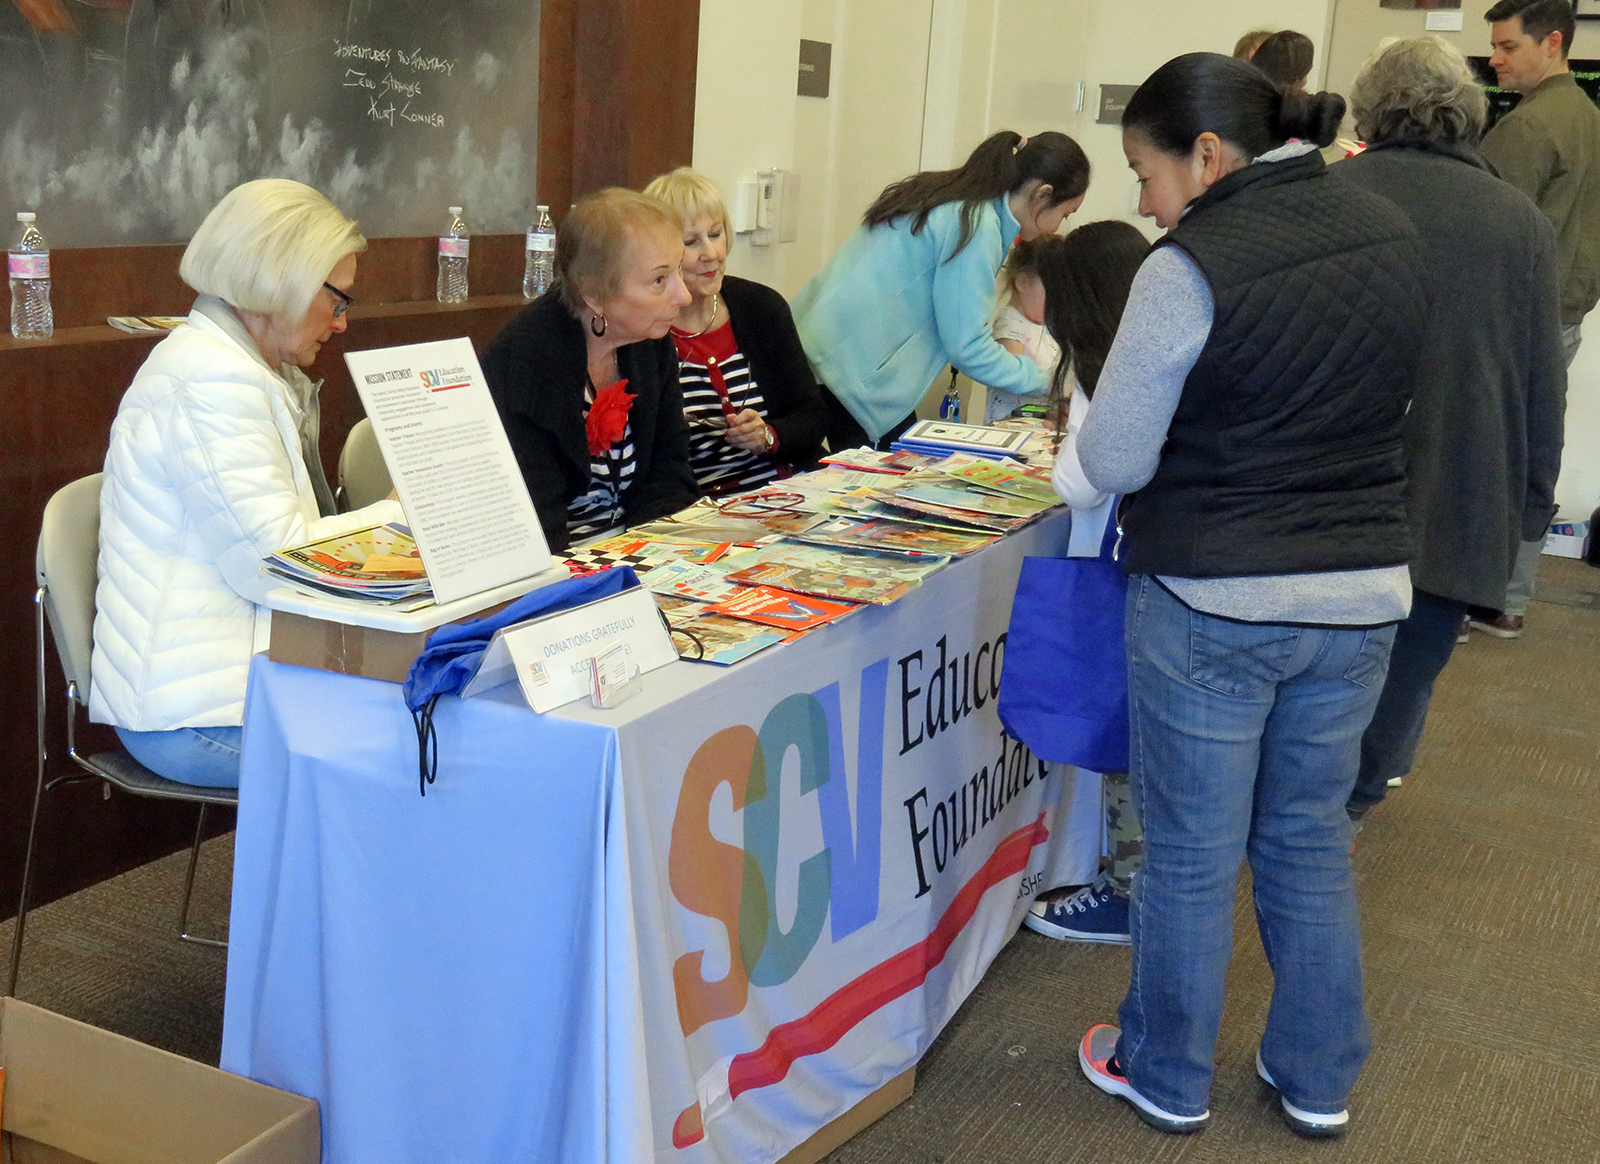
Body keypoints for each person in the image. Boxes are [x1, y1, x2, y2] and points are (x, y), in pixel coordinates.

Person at [1071, 53, 1429, 1139]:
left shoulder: (1190, 266)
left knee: (1188, 851)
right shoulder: (1391, 235)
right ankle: (1317, 1076)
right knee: (1307, 838)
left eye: (1144, 171)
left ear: (1209, 155)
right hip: (1361, 595)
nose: (1140, 200)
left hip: (1215, 597)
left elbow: (1120, 457)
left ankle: (1166, 1072)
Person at [91, 179, 406, 788]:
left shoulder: (239, 368)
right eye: (337, 300)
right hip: (191, 715)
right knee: (408, 757)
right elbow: (277, 563)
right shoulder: (209, 380)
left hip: (236, 681)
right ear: (278, 281)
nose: (341, 324)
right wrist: (397, 515)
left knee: (429, 723)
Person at [1334, 37, 1565, 819]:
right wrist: (1531, 507)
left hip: (1333, 490)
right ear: (1466, 114)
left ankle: (1301, 807)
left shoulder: (1332, 195)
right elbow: (1543, 377)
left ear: (1370, 109)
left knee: (1315, 679)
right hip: (1461, 490)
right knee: (1409, 671)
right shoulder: (1520, 221)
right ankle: (1360, 800)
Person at [984, 224, 1151, 945]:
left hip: (1127, 577)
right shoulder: (1155, 351)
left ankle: (1129, 893)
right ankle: (1133, 885)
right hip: (1162, 571)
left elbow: (1081, 480)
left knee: (1127, 736)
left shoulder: (1110, 370)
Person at [791, 130, 1091, 449]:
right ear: (1042, 195)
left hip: (820, 351)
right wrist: (1054, 382)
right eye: (1065, 213)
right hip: (849, 374)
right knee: (882, 483)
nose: (1059, 226)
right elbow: (968, 346)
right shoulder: (976, 224)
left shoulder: (952, 195)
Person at [1470, 0, 1600, 638]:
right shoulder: (1591, 119)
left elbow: (1484, 230)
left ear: (1552, 43)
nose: (1495, 59)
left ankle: (1461, 597)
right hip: (1564, 320)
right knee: (1530, 455)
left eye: (1508, 46)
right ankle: (1507, 600)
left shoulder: (1527, 129)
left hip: (1512, 321)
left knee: (1477, 455)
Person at [482, 188, 700, 551]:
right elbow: (535, 523)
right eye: (659, 280)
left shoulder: (649, 337)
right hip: (559, 566)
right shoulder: (526, 363)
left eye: (678, 270)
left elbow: (670, 471)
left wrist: (656, 558)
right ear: (594, 294)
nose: (684, 296)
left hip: (635, 555)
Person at [642, 167, 829, 493]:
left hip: (791, 490)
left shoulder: (761, 307)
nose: (711, 254)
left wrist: (770, 436)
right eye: (691, 242)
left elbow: (812, 416)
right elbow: (651, 464)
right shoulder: (644, 332)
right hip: (701, 507)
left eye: (715, 234)